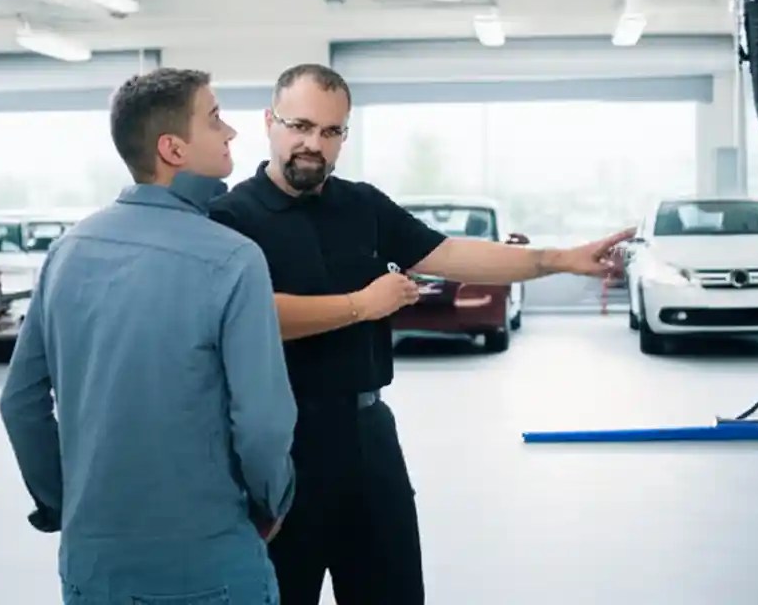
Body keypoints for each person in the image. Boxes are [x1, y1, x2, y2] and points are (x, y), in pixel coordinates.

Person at [208, 63, 634, 605]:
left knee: (393, 590)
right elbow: (246, 315)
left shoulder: (360, 204)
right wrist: (362, 305)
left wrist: (557, 258)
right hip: (279, 443)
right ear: (270, 121)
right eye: (300, 126)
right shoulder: (229, 217)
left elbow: (450, 254)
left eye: (331, 131)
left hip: (368, 435)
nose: (313, 143)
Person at [0, 68, 299, 604]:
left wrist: (67, 504)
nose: (230, 132)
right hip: (210, 565)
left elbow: (20, 403)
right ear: (172, 149)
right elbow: (263, 421)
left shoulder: (68, 251)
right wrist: (272, 503)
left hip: (93, 566)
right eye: (214, 119)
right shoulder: (233, 259)